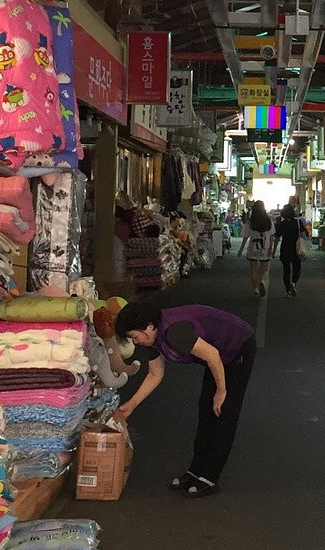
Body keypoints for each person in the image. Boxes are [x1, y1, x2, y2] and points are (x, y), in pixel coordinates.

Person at [114, 296, 257, 497]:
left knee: (223, 412)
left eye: (134, 336)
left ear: (148, 327)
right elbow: (156, 373)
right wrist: (130, 406)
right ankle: (195, 470)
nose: (135, 341)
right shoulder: (151, 341)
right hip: (216, 357)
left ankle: (210, 477)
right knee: (206, 411)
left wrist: (221, 391)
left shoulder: (175, 332)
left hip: (237, 347)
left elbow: (213, 355)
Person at [272, 199, 308, 297]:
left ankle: (287, 291)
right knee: (297, 269)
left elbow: (276, 239)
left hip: (285, 249)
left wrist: (273, 251)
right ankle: (293, 283)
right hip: (296, 249)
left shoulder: (281, 224)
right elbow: (304, 235)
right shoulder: (298, 223)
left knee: (286, 270)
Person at [238, 199, 273, 296]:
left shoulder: (250, 222)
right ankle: (262, 280)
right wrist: (271, 248)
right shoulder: (268, 221)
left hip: (253, 248)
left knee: (253, 268)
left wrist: (241, 249)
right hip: (265, 247)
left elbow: (245, 236)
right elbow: (271, 236)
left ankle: (255, 289)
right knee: (263, 268)